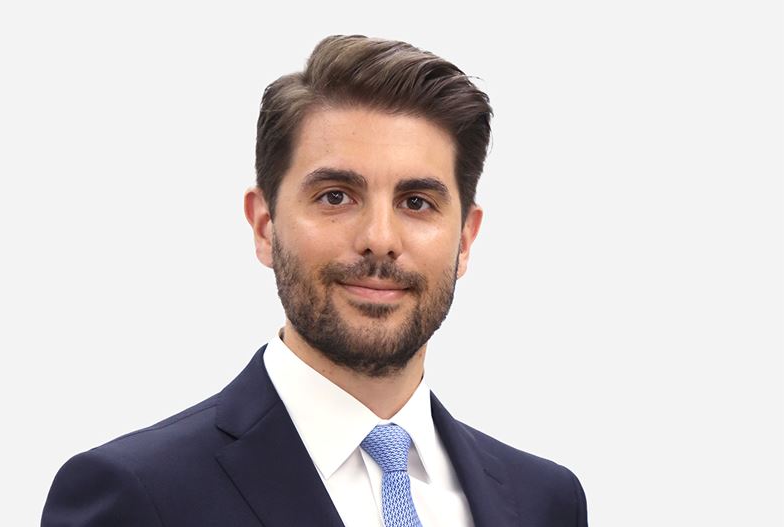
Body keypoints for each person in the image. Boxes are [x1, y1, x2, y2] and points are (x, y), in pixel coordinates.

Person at [42, 34, 588, 527]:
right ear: (264, 226)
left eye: (417, 202)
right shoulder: (138, 496)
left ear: (465, 239)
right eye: (336, 196)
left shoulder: (545, 502)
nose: (380, 238)